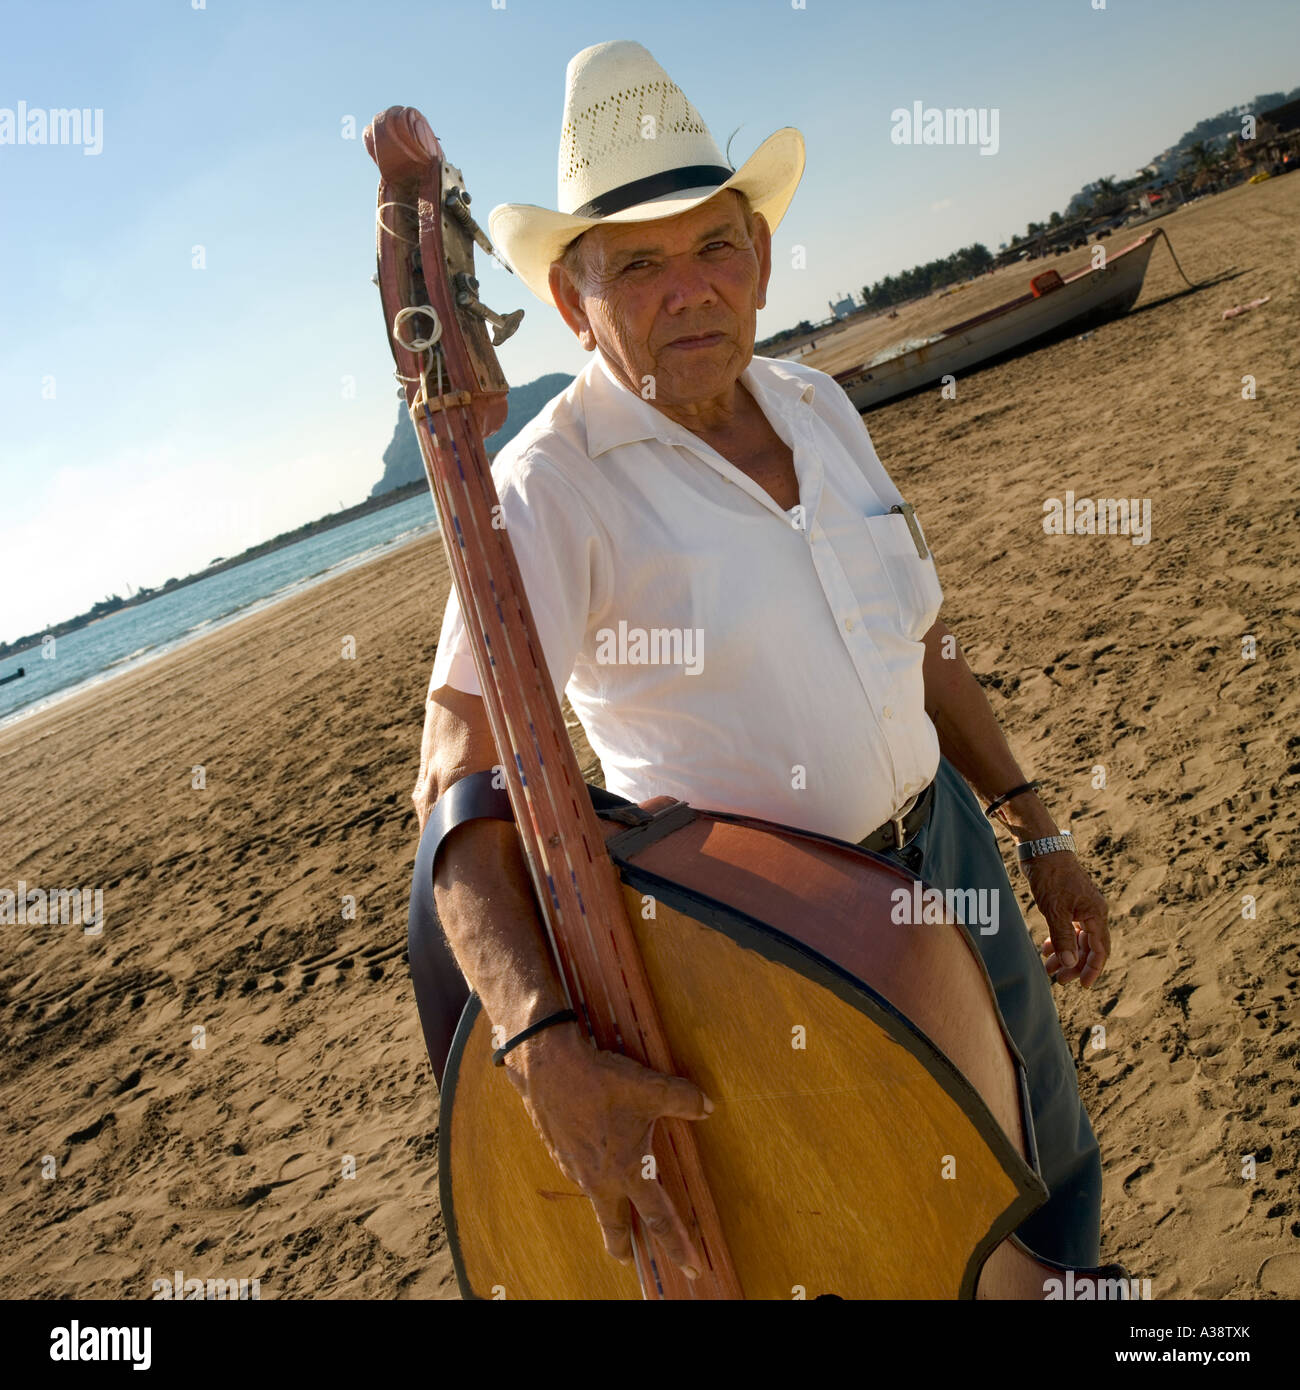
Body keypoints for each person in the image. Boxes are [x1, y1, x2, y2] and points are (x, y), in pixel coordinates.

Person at [413, 39, 1111, 1281]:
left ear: (764, 260)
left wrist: (1034, 823)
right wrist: (536, 1042)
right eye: (639, 264)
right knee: (926, 1251)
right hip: (782, 940)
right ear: (573, 304)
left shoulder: (816, 403)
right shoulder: (547, 490)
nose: (689, 289)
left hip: (948, 850)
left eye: (714, 247)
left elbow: (920, 638)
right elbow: (456, 774)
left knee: (1055, 1172)